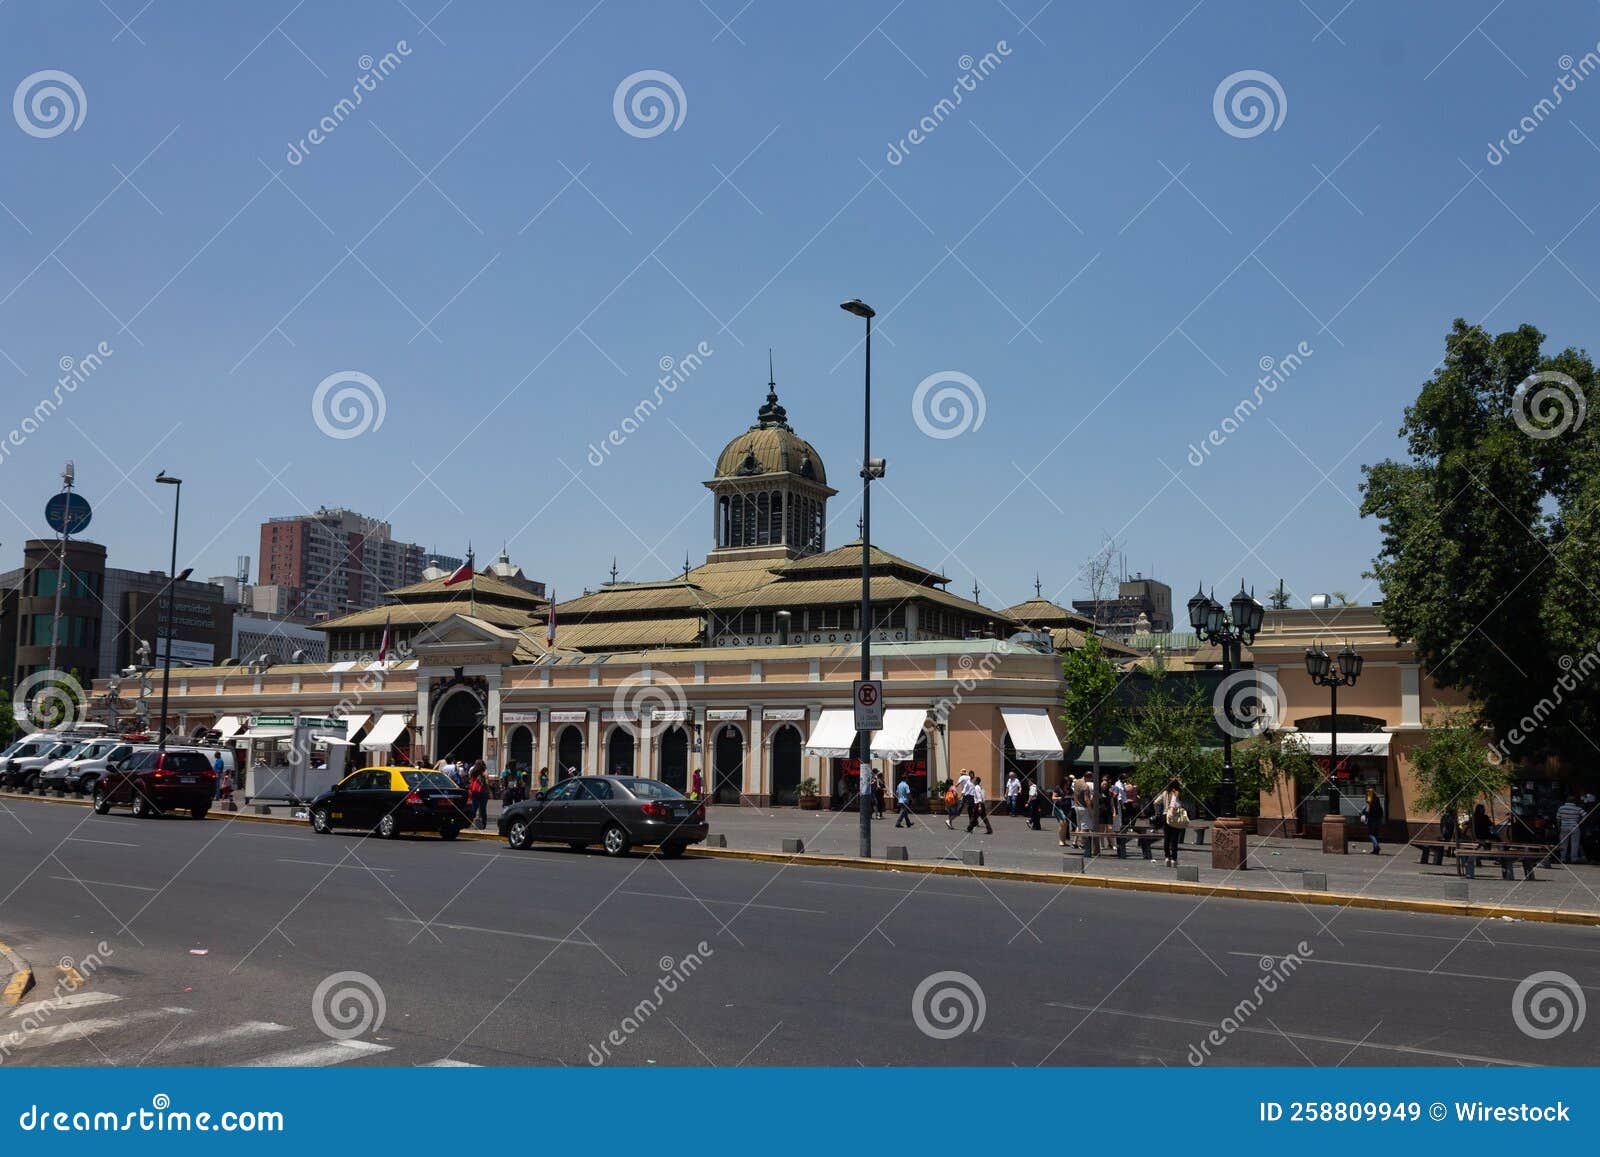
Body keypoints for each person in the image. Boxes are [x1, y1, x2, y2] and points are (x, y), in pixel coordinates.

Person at [1153, 778, 1185, 867]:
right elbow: (1174, 803)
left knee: (1167, 838)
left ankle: (1167, 857)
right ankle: (1174, 859)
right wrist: (1171, 809)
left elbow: (1155, 802)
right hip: (1174, 816)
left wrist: (1157, 812)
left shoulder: (1165, 793)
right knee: (1174, 838)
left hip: (1165, 815)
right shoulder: (1176, 793)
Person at [1557, 795, 1586, 863]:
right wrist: (1579, 822)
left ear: (1567, 801)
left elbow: (1558, 819)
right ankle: (1574, 859)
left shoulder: (1561, 808)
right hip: (1574, 827)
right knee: (1575, 843)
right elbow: (1585, 815)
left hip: (1564, 827)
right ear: (1574, 801)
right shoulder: (1578, 808)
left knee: (1563, 844)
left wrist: (1559, 827)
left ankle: (1562, 859)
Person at [466, 760, 490, 829]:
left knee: (474, 808)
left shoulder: (473, 771)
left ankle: (469, 822)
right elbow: (486, 780)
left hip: (474, 791)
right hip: (483, 791)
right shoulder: (484, 771)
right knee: (483, 809)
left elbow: (470, 780)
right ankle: (483, 823)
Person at [1362, 788, 1384, 854]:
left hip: (1372, 818)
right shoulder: (1377, 799)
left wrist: (1364, 814)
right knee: (1376, 834)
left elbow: (1368, 809)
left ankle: (1376, 846)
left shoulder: (1369, 799)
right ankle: (1375, 850)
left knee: (1371, 834)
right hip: (1378, 818)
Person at [1051, 780, 1071, 847]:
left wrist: (1072, 796)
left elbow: (1074, 796)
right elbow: (1053, 798)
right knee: (1062, 823)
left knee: (1066, 824)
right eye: (1066, 784)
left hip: (1067, 808)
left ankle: (1064, 840)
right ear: (1063, 783)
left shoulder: (1069, 789)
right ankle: (1061, 840)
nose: (1067, 785)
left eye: (1068, 784)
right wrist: (1060, 798)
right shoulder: (1058, 788)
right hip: (1059, 807)